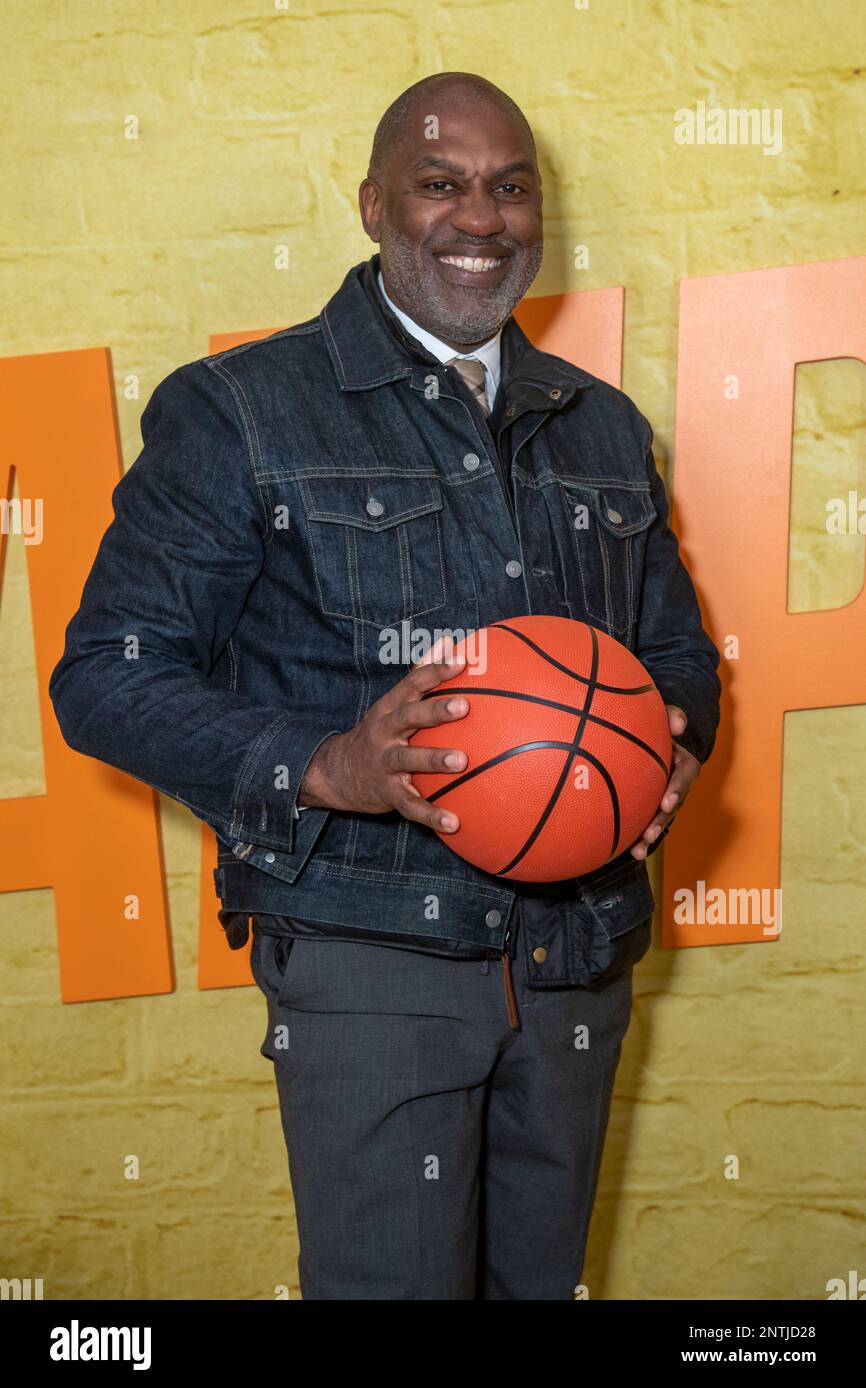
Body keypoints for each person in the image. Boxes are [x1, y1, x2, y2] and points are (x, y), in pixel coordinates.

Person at [50, 71, 721, 1300]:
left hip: (575, 954)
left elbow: (673, 656)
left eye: (510, 188)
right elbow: (104, 674)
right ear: (372, 205)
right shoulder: (243, 411)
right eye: (441, 184)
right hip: (371, 967)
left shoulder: (600, 427)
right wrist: (323, 764)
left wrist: (665, 752)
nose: (482, 218)